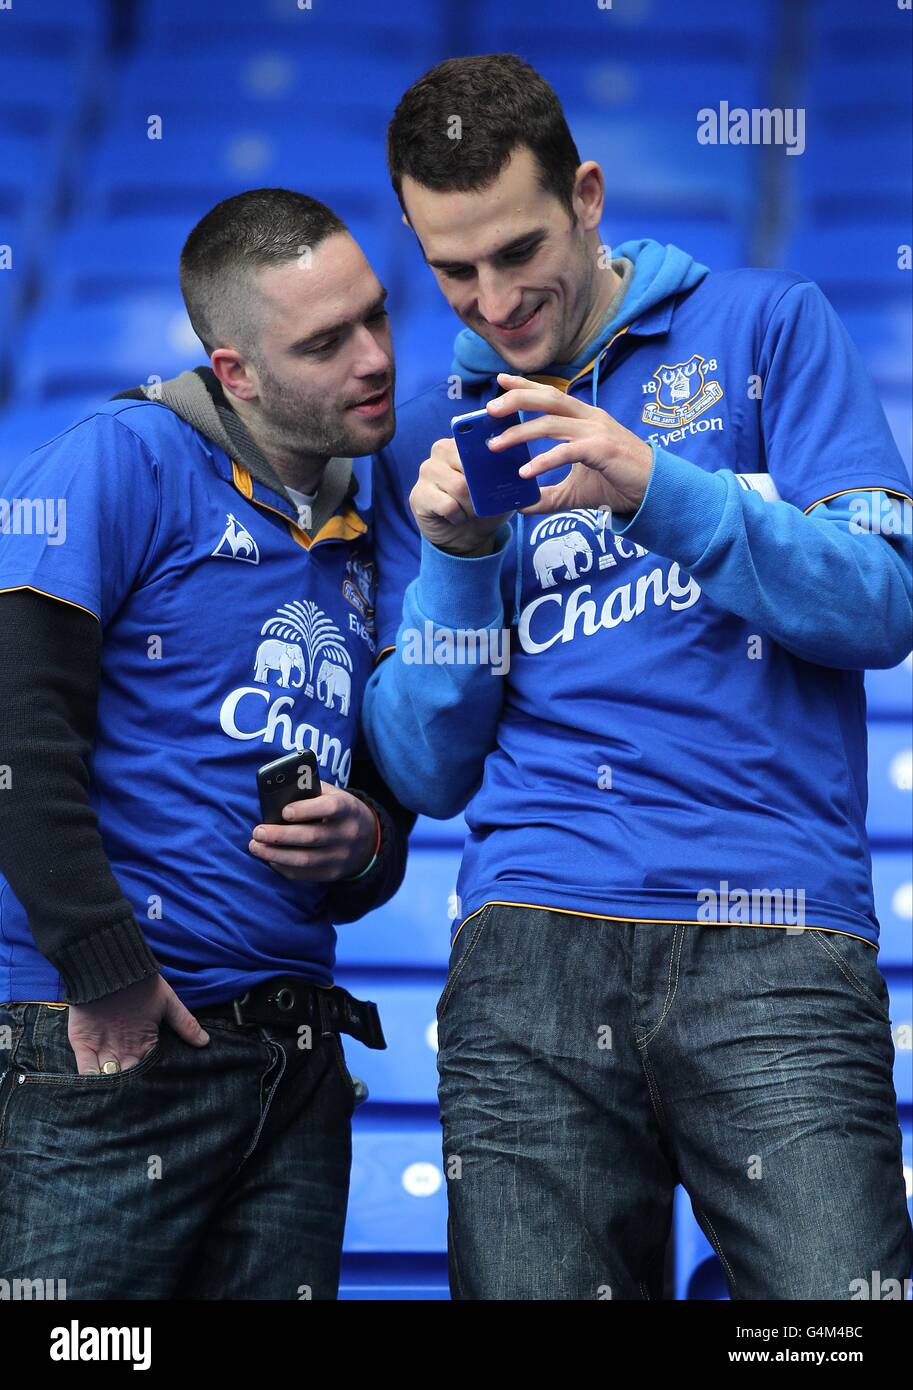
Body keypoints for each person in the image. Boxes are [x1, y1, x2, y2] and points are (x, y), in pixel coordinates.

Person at [362, 54, 913, 1300]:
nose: (494, 302)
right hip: (531, 934)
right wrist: (455, 561)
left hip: (770, 926)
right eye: (454, 269)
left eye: (519, 252)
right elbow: (426, 769)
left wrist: (657, 488)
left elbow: (884, 600)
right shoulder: (431, 426)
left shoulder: (769, 326)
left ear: (589, 196)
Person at [0, 187, 413, 1300]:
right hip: (114, 1045)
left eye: (376, 317)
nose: (373, 358)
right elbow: (13, 727)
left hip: (294, 1061)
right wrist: (107, 968)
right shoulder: (120, 459)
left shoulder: (377, 523)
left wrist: (365, 841)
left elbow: (384, 821)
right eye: (324, 343)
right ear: (236, 371)